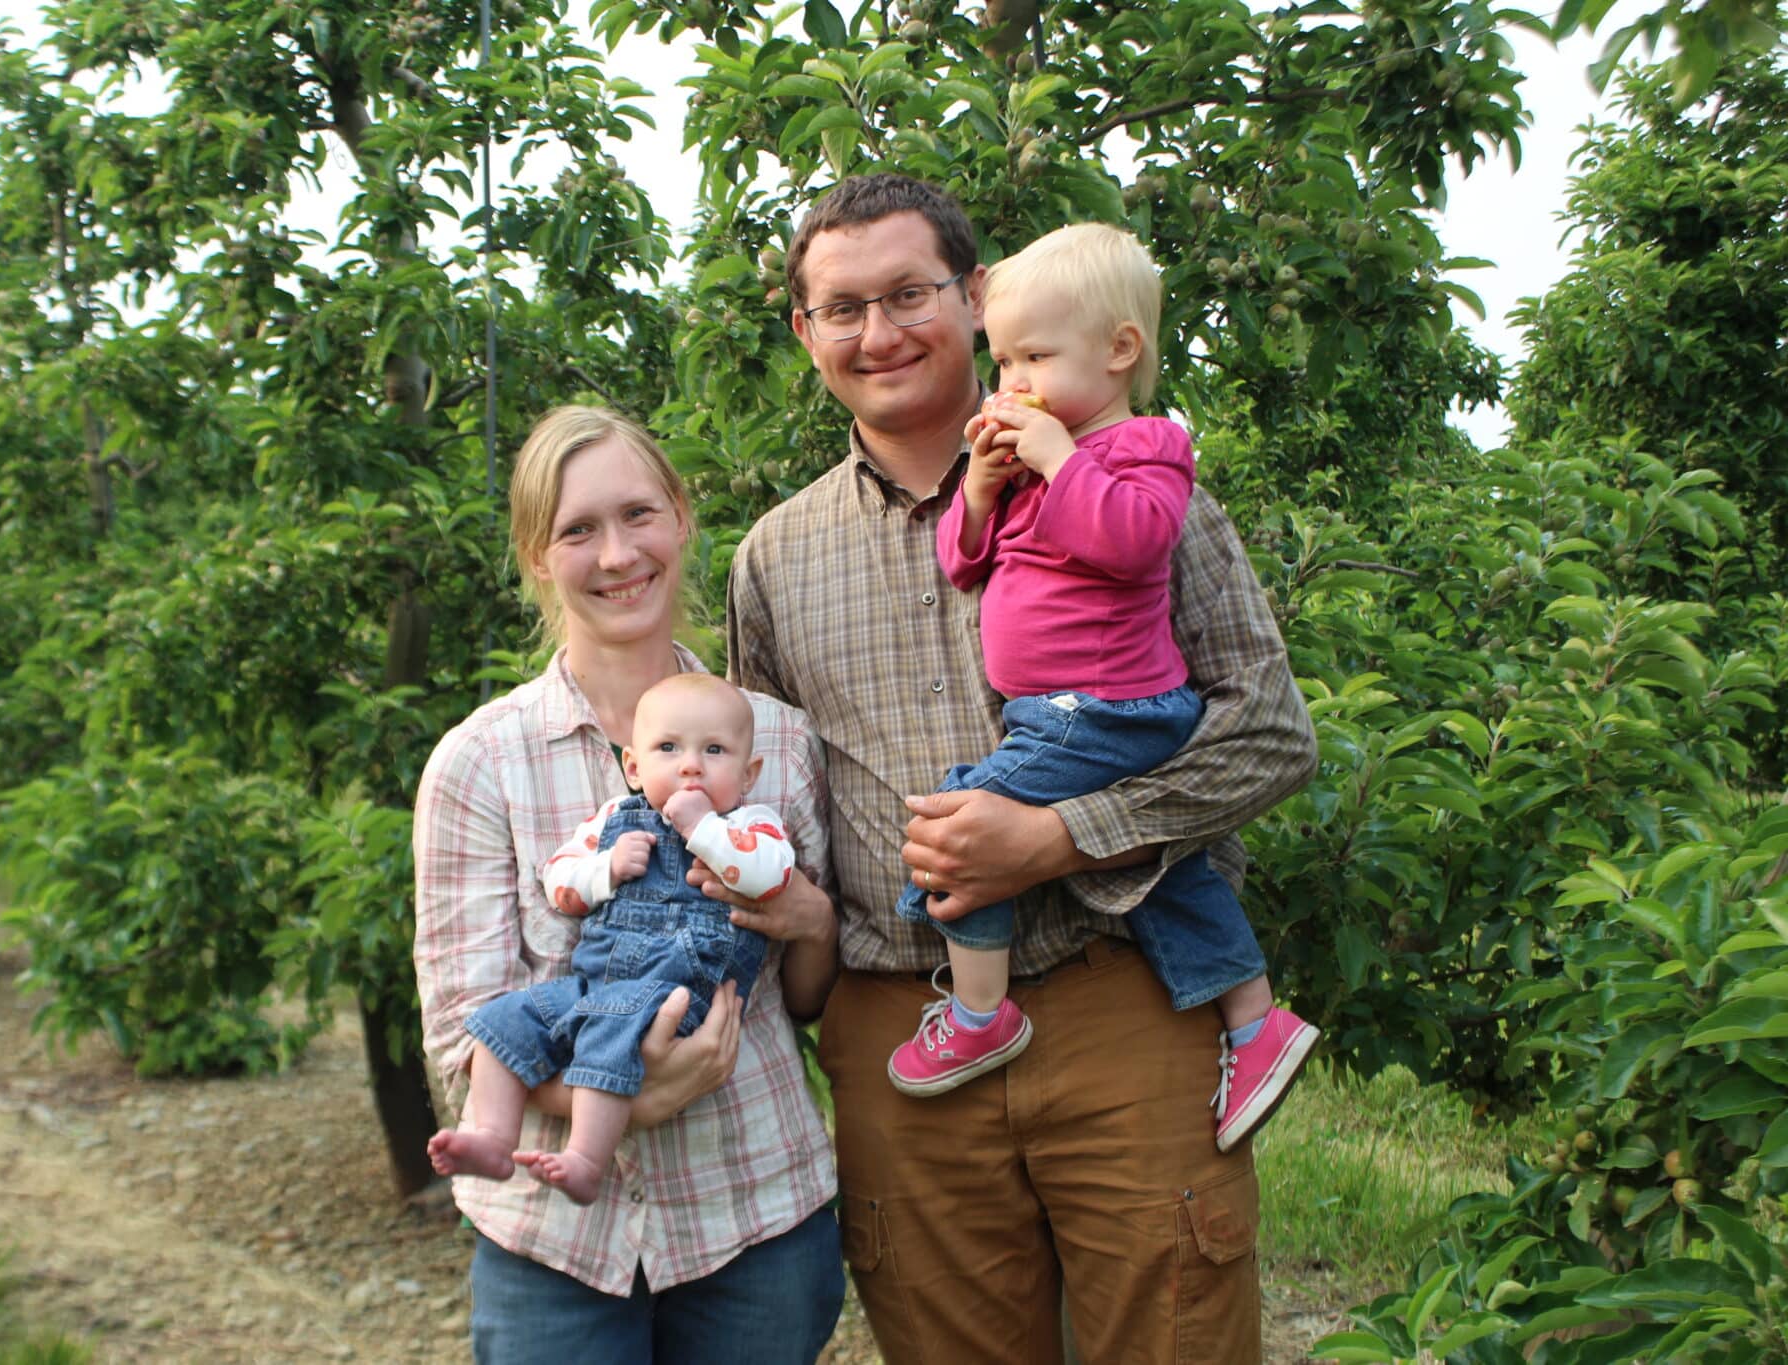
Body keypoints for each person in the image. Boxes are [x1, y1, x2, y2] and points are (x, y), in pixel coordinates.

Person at [727, 175, 1318, 1362]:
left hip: (1123, 998)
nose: (879, 332)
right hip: (904, 1036)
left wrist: (1058, 838)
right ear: (804, 331)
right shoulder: (775, 558)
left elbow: (1267, 731)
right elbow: (770, 808)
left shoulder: (1128, 484)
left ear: (973, 295)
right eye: (842, 308)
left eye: (909, 293)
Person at [413, 405, 843, 1363]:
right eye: (578, 529)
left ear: (681, 517)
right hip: (556, 1248)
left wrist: (813, 921)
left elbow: (811, 998)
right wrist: (624, 1101)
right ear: (538, 556)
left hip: (754, 1212)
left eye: (638, 514)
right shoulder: (481, 763)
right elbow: (462, 1032)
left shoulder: (776, 739)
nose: (617, 554)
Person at [884, 222, 1320, 1153]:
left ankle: (980, 1014)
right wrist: (981, 491)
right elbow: (962, 564)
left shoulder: (1144, 449)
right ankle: (1254, 1020)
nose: (1011, 384)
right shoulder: (1031, 471)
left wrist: (1056, 460)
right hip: (1064, 714)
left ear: (1120, 350)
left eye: (1035, 358)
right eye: (1004, 362)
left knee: (961, 827)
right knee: (1162, 877)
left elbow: (1132, 539)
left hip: (1107, 708)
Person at [427, 672, 799, 1205]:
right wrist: (606, 869)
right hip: (594, 982)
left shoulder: (752, 827)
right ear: (634, 767)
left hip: (675, 992)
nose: (691, 765)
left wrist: (704, 830)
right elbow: (560, 882)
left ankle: (584, 1159)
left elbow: (767, 878)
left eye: (714, 750)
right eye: (668, 748)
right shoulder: (614, 821)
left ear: (748, 774)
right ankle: (492, 1136)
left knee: (611, 1027)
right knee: (505, 1021)